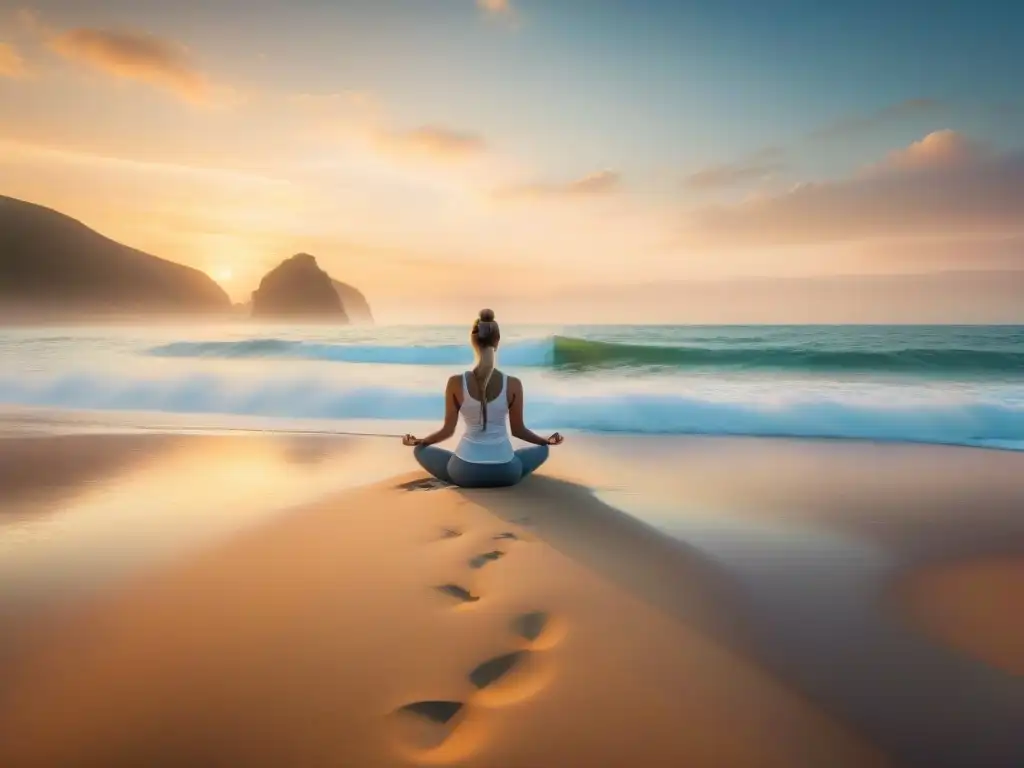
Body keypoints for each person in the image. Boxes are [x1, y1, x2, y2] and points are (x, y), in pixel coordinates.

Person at [402, 309, 564, 488]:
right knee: (542, 450)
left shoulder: (456, 383)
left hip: (464, 473)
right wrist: (544, 441)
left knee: (420, 450)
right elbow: (519, 431)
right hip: (506, 473)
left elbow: (447, 431)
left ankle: (460, 475)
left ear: (473, 341)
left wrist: (421, 441)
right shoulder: (513, 384)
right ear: (497, 341)